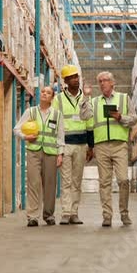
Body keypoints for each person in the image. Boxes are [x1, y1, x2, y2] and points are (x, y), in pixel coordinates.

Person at [80, 71, 137, 227]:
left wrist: (120, 117)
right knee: (104, 182)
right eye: (100, 81)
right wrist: (85, 96)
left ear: (113, 83)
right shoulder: (95, 101)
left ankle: (124, 213)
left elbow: (134, 119)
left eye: (105, 80)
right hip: (101, 146)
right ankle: (107, 216)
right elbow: (84, 116)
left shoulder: (124, 98)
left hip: (120, 145)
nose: (103, 83)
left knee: (123, 180)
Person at [14, 86, 64, 227]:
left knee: (50, 184)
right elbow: (16, 129)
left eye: (48, 93)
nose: (44, 94)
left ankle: (49, 215)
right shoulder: (31, 112)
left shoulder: (57, 115)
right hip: (34, 152)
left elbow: (60, 136)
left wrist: (60, 154)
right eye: (42, 92)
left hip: (51, 152)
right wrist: (25, 136)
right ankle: (32, 216)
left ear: (52, 97)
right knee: (33, 183)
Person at [53, 65, 94, 225]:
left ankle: (74, 213)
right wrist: (58, 149)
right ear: (66, 81)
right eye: (72, 77)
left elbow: (90, 122)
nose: (76, 80)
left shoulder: (86, 98)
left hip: (81, 145)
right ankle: (65, 212)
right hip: (65, 145)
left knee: (77, 180)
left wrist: (91, 146)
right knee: (66, 181)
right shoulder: (58, 99)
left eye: (77, 77)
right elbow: (55, 123)